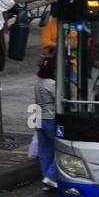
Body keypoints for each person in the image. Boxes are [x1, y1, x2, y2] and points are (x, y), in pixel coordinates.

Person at [34, 57, 58, 189]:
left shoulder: (38, 84)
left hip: (39, 119)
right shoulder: (52, 84)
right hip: (50, 118)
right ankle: (51, 175)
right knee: (60, 149)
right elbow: (58, 100)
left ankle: (45, 179)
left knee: (44, 150)